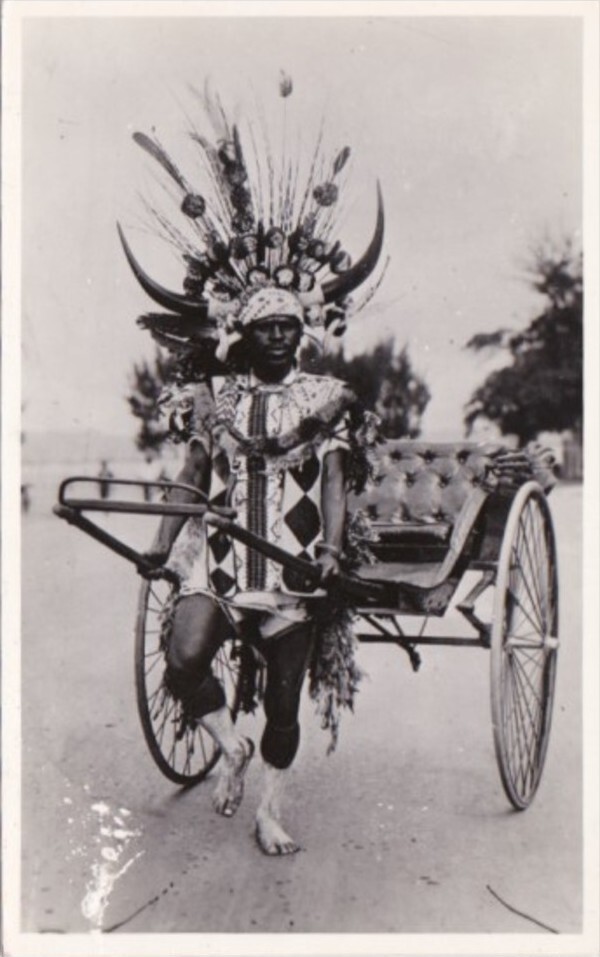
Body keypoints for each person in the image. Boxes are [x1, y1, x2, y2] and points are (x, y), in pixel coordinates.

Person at [144, 286, 351, 855]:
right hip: (221, 561)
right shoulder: (216, 396)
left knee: (283, 709)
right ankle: (232, 747)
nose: (278, 335)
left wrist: (331, 552)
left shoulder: (326, 396)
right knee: (183, 660)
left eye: (288, 324)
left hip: (293, 567)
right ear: (245, 334)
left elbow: (334, 479)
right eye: (266, 326)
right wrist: (161, 544)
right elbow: (192, 474)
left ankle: (268, 813)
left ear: (302, 332)